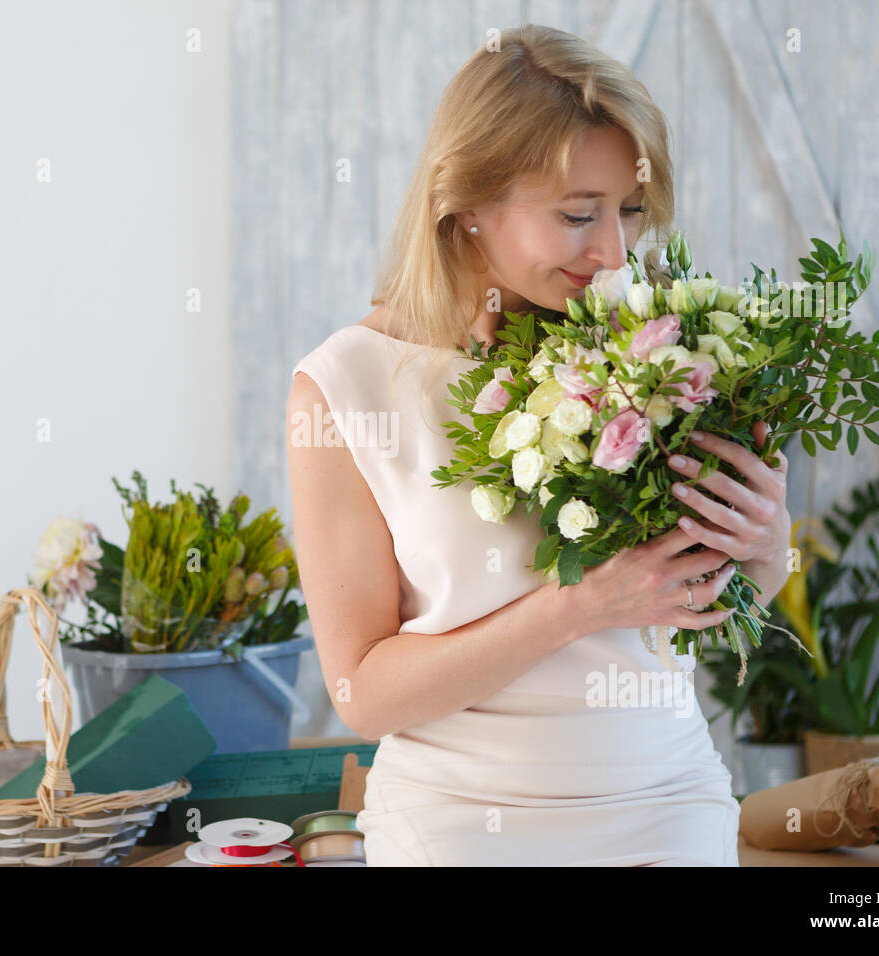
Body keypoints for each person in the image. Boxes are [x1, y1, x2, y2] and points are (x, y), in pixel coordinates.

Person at [285, 24, 792, 866]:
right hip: (456, 820)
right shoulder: (348, 389)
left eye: (629, 211)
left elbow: (714, 606)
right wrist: (575, 608)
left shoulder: (659, 350)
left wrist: (766, 548)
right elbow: (363, 695)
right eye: (577, 215)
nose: (615, 251)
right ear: (467, 202)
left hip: (665, 802)